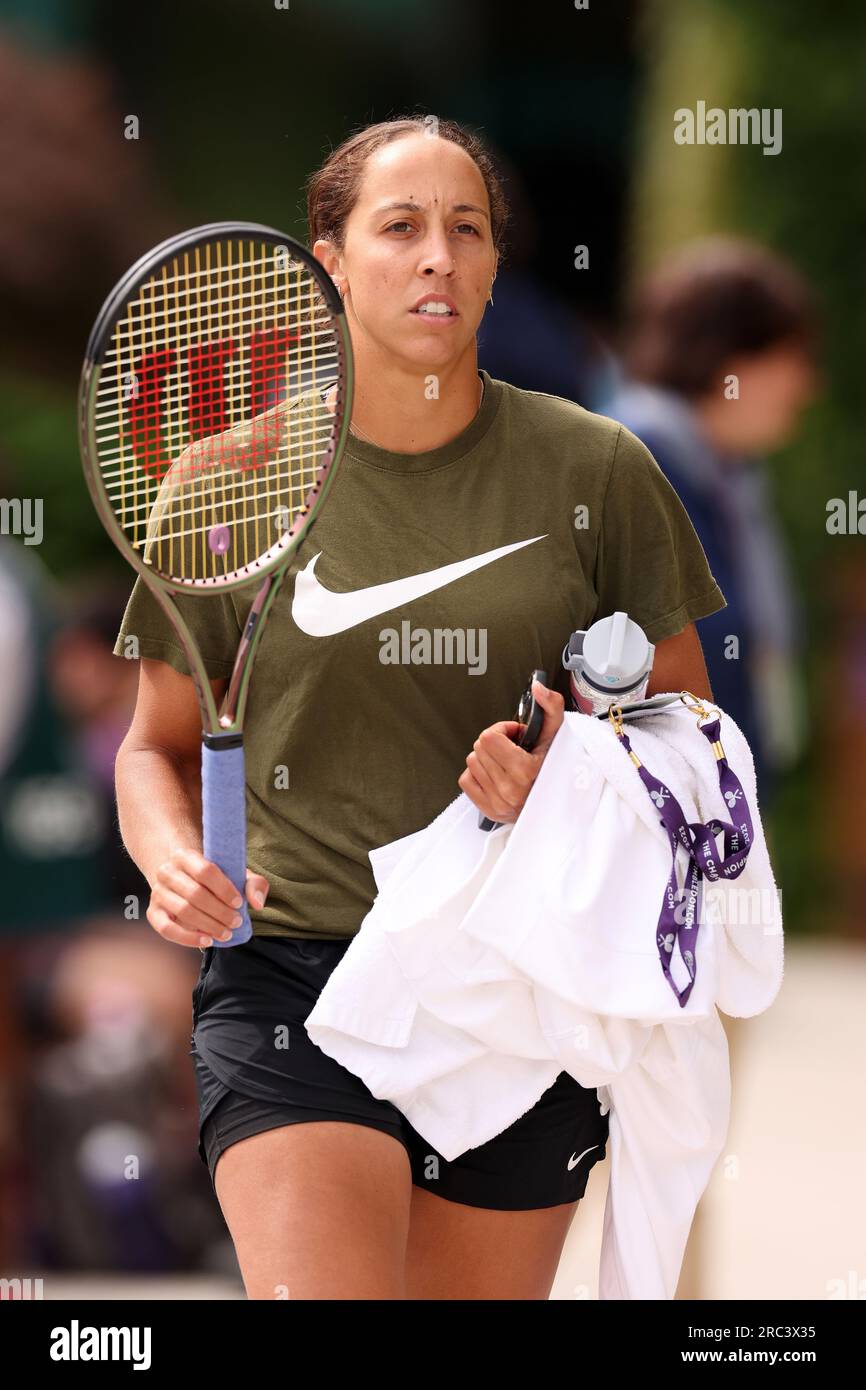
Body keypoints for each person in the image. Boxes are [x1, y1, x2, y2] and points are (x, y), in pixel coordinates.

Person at [112, 114, 726, 1300]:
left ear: (496, 265)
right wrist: (175, 859)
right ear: (329, 259)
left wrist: (569, 777)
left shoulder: (595, 469)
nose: (437, 256)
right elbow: (155, 746)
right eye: (399, 228)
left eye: (465, 229)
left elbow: (693, 740)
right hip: (294, 987)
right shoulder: (225, 482)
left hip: (518, 985)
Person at [600, 238, 820, 805]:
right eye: (792, 356)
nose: (806, 385)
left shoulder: (717, 473)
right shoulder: (642, 462)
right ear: (729, 358)